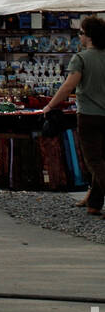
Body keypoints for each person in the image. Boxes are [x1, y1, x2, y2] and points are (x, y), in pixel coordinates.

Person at [42, 14, 105, 216]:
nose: (79, 37)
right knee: (102, 158)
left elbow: (69, 85)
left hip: (89, 114)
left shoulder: (82, 58)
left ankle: (95, 201)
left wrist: (50, 105)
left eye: (81, 33)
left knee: (94, 160)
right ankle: (94, 203)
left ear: (89, 36)